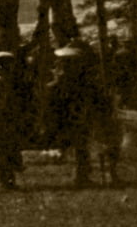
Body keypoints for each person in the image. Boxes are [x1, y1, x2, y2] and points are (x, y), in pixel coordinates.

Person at [46, 39, 119, 188]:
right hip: (73, 127)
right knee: (87, 138)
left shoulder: (55, 87)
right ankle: (85, 174)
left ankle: (83, 174)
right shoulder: (86, 85)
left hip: (60, 127)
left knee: (84, 138)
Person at [0, 52, 23, 190]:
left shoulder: (7, 81)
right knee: (4, 151)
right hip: (2, 120)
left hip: (5, 120)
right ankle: (7, 180)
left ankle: (8, 179)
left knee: (5, 151)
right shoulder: (2, 81)